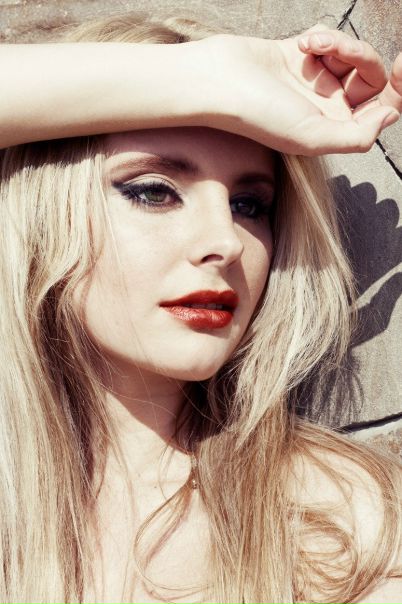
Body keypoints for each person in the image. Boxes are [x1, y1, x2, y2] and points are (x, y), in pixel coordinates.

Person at [0, 13, 401, 604]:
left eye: (249, 205)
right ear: (39, 212)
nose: (227, 242)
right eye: (153, 191)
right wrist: (212, 75)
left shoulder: (339, 527)